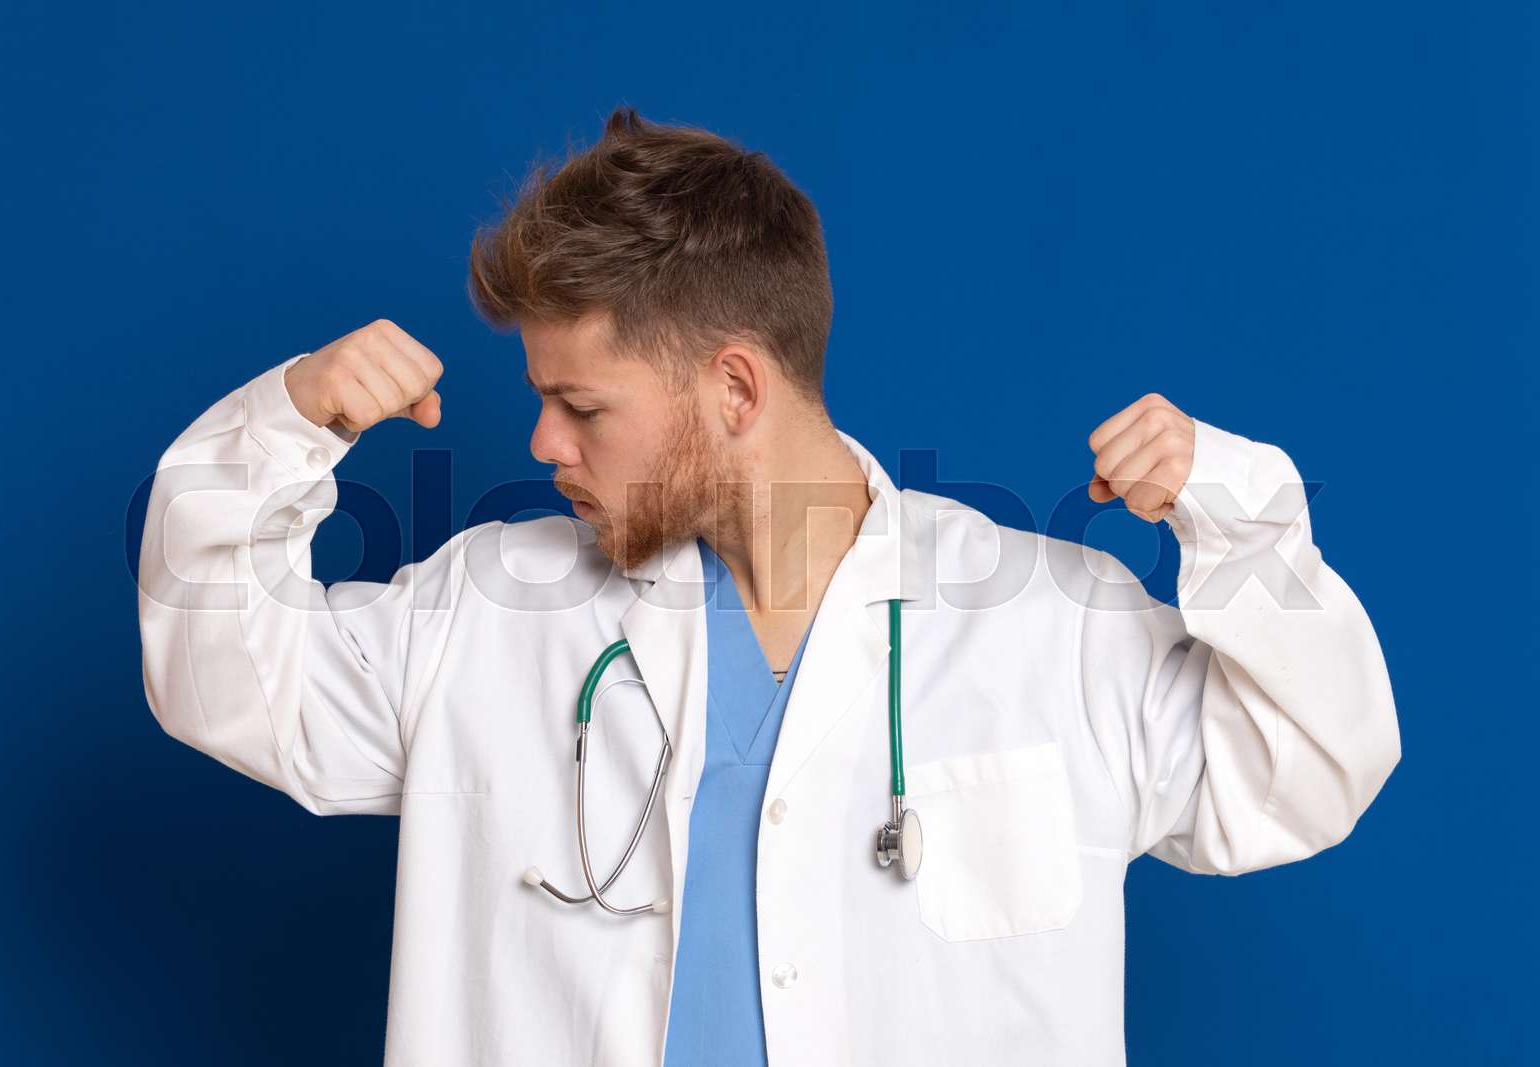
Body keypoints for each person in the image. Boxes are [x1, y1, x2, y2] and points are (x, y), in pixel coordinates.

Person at [136, 106, 1400, 1066]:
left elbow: (1307, 773)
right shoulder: (481, 612)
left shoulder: (1047, 621)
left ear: (734, 389)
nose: (540, 446)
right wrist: (283, 430)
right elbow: (225, 676)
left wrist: (1234, 514)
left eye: (579, 405)